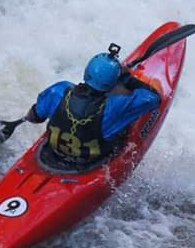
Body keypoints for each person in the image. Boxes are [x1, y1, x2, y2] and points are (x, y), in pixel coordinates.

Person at [24, 44, 161, 170]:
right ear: (113, 83)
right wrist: (126, 78)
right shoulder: (115, 107)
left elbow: (35, 117)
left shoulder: (59, 91)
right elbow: (153, 98)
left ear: (86, 72)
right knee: (123, 125)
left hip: (53, 156)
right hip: (91, 162)